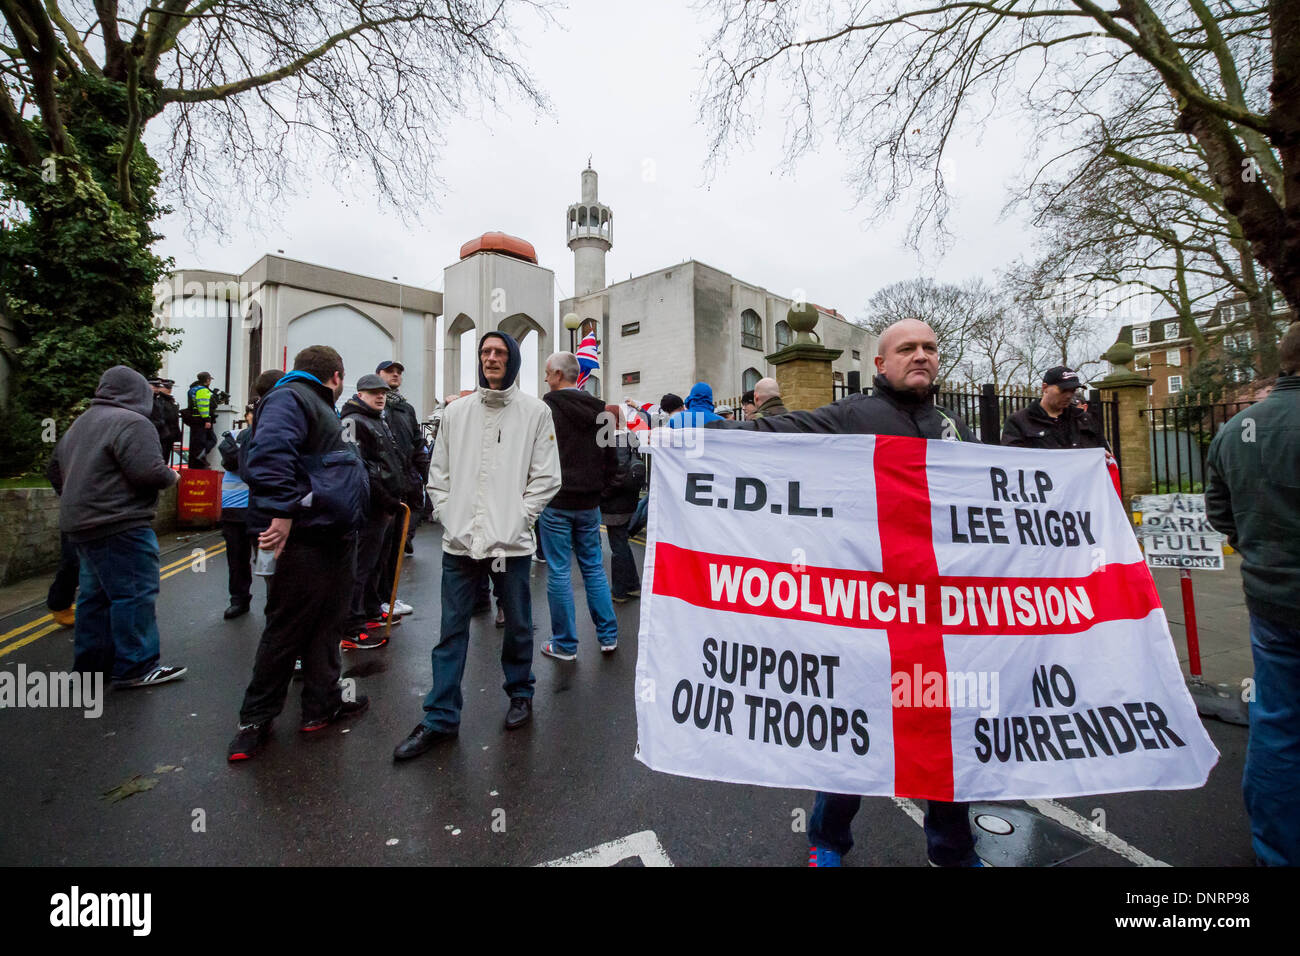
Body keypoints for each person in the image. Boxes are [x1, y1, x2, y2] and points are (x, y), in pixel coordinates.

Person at [709, 319, 981, 867]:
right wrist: (704, 434)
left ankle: (952, 850)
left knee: (942, 732)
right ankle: (828, 840)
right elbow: (785, 432)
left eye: (929, 348)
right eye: (907, 348)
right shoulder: (854, 415)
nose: (921, 356)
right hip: (867, 604)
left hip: (936, 608)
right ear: (881, 364)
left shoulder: (952, 425)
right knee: (855, 726)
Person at [393, 331, 560, 761]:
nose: (491, 358)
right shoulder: (456, 413)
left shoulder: (535, 412)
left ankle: (520, 693)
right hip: (460, 543)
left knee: (518, 625)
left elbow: (547, 477)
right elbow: (438, 475)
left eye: (499, 352)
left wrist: (518, 518)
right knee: (451, 631)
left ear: (513, 359)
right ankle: (440, 717)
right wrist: (450, 516)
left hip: (510, 546)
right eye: (485, 351)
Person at [227, 346, 370, 762]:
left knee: (327, 624)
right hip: (305, 538)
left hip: (334, 536)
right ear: (337, 376)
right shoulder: (290, 398)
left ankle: (321, 704)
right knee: (286, 628)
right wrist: (282, 512)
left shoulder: (315, 404)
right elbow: (270, 455)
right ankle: (255, 720)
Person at [1205, 322, 1300, 866]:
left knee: (1278, 726)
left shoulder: (1236, 429)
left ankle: (1275, 850)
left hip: (1271, 599)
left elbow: (1221, 513)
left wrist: (1259, 549)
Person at [48, 366, 185, 687]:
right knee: (133, 593)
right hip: (120, 523)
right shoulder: (133, 422)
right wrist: (173, 476)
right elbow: (148, 472)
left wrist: (79, 497)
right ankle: (136, 666)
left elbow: (53, 470)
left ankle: (90, 669)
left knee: (94, 597)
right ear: (137, 393)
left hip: (81, 525)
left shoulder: (81, 423)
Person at [537, 352, 620, 660]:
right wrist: (599, 493)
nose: (545, 378)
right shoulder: (602, 413)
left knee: (559, 571)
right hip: (589, 503)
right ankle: (608, 636)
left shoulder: (545, 411)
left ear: (559, 374)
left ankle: (565, 645)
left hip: (556, 501)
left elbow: (535, 457)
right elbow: (612, 460)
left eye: (548, 373)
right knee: (594, 569)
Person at [339, 374, 410, 649]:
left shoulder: (377, 419)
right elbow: (357, 466)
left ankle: (369, 610)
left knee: (376, 563)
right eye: (373, 392)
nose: (380, 396)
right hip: (370, 507)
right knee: (361, 566)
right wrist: (384, 497)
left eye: (382, 392)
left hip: (385, 506)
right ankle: (351, 626)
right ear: (360, 394)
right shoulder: (352, 421)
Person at [376, 360, 424, 615]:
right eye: (390, 371)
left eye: (398, 372)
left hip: (402, 485)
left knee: (394, 547)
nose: (395, 375)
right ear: (378, 375)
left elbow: (417, 444)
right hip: (379, 489)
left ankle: (387, 598)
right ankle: (373, 603)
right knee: (377, 550)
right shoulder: (374, 406)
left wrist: (426, 475)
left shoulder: (406, 408)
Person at [1000, 366, 1109, 449]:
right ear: (1045, 387)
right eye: (1063, 390)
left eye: (1072, 390)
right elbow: (1013, 460)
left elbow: (1103, 451)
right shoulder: (1019, 421)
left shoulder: (1084, 419)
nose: (1069, 395)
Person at [601, 404, 645, 603]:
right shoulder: (629, 437)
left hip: (615, 503)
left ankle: (619, 591)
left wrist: (603, 494)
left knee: (618, 547)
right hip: (628, 498)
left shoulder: (614, 439)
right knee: (622, 543)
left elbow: (617, 473)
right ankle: (633, 585)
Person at [217, 403, 257, 620]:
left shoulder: (270, 436)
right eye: (251, 413)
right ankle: (238, 599)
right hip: (234, 508)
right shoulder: (233, 435)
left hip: (260, 507)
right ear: (246, 416)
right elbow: (231, 461)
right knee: (237, 559)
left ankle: (275, 605)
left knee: (268, 560)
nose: (255, 417)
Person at [185, 371, 218, 468]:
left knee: (196, 442)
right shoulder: (202, 390)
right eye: (210, 380)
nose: (210, 382)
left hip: (194, 419)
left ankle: (196, 461)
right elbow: (203, 406)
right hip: (201, 420)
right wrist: (207, 420)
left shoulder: (192, 389)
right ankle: (200, 456)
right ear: (207, 380)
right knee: (211, 440)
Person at [149, 378, 182, 465]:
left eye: (170, 387)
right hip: (160, 432)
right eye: (167, 387)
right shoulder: (158, 400)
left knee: (165, 458)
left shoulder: (170, 400)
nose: (169, 390)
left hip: (168, 433)